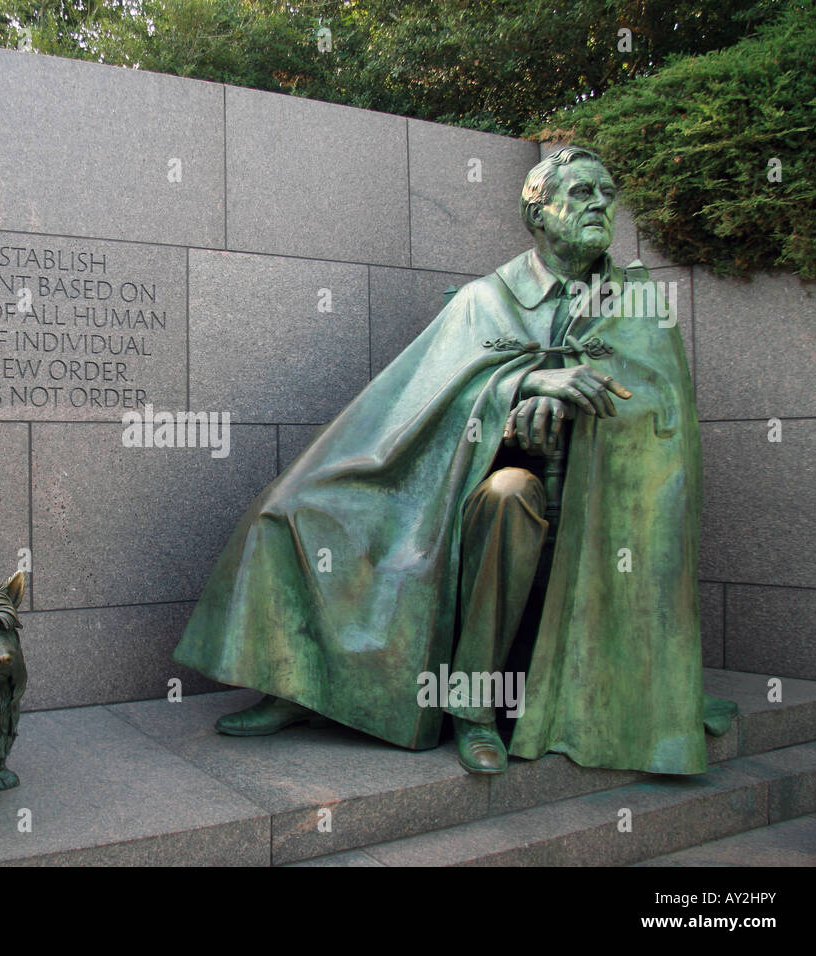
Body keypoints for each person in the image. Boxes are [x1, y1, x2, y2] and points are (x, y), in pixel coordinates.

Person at [173, 146, 734, 775]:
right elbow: (420, 403)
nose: (601, 204)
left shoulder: (636, 302)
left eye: (607, 192)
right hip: (445, 475)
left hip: (580, 493)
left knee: (509, 497)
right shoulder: (483, 300)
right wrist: (520, 390)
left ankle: (472, 707)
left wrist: (568, 414)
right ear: (539, 213)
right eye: (581, 193)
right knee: (290, 509)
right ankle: (297, 683)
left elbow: (657, 421)